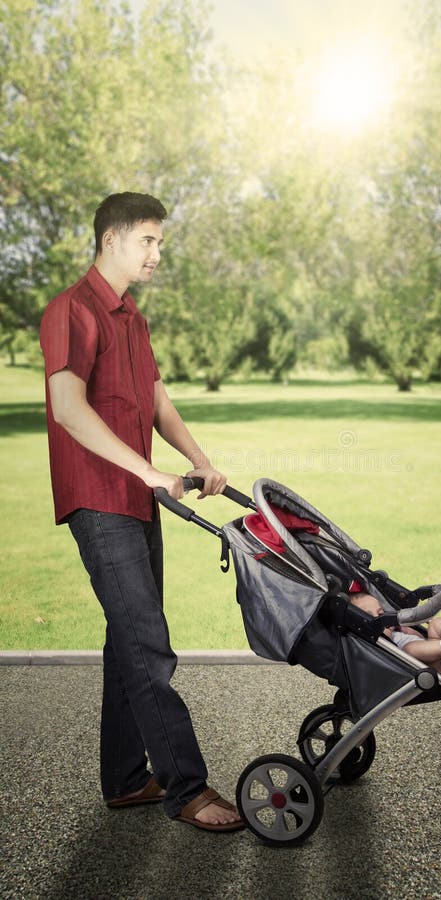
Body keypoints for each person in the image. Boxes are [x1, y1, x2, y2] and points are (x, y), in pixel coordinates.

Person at [39, 192, 243, 833]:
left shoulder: (132, 319)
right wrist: (150, 470)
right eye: (148, 240)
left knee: (127, 639)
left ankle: (127, 780)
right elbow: (67, 408)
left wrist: (198, 458)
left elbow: (155, 400)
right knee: (149, 645)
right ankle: (188, 788)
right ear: (111, 240)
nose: (158, 252)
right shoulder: (70, 311)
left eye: (160, 241)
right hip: (99, 501)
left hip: (136, 498)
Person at [349, 591, 441, 681]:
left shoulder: (396, 630)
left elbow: (420, 637)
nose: (379, 618)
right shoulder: (382, 645)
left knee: (434, 625)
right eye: (371, 617)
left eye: (381, 613)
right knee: (411, 649)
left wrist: (409, 630)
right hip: (437, 669)